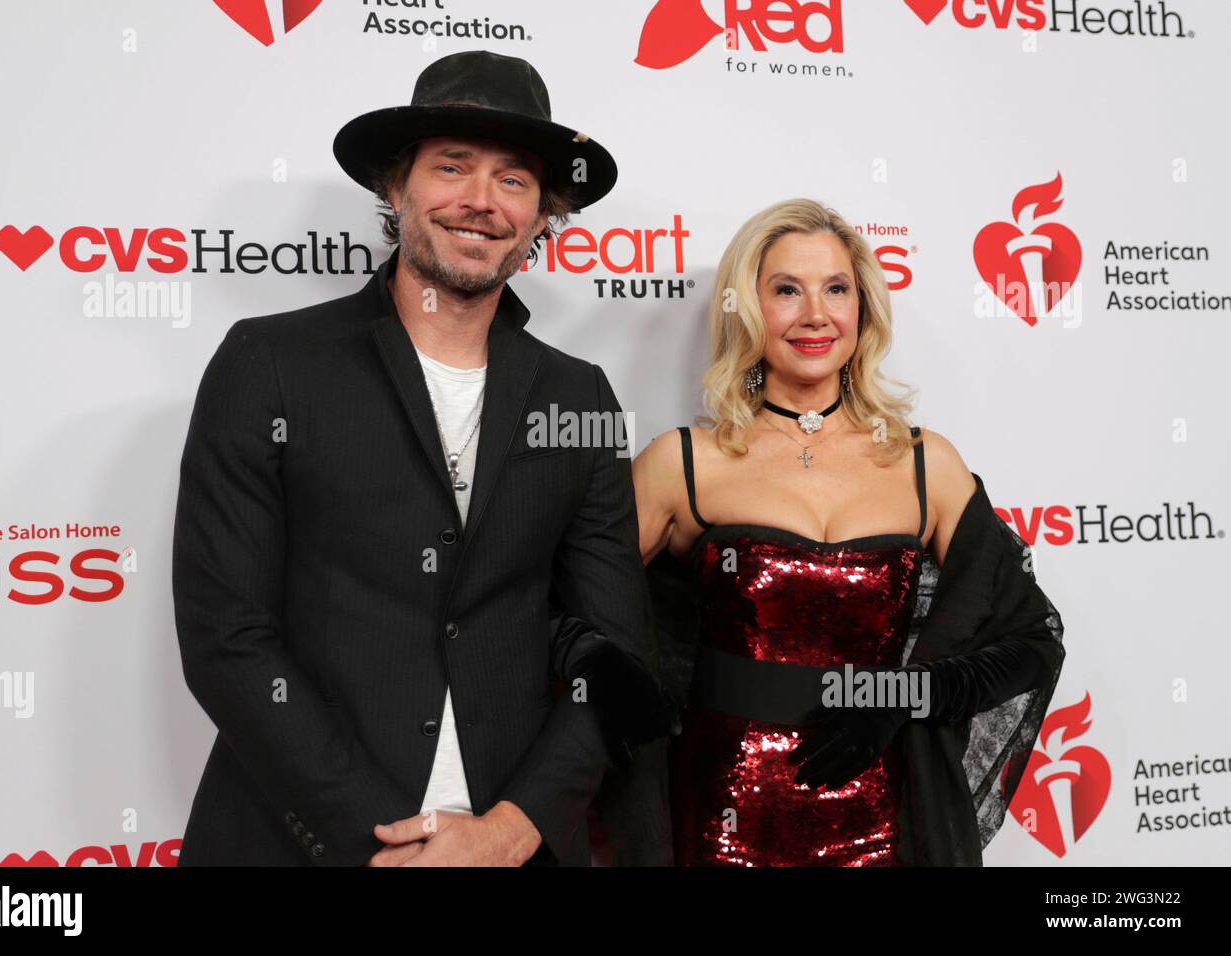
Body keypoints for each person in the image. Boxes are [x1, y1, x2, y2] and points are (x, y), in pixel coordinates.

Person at [171, 49, 665, 867]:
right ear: (395, 188)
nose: (481, 201)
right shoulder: (270, 364)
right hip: (300, 842)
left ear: (544, 215)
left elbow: (614, 656)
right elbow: (227, 636)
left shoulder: (581, 399)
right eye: (452, 167)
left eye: (514, 180)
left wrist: (511, 831)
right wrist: (379, 839)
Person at [632, 198, 1066, 865]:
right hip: (723, 824)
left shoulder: (927, 464)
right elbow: (579, 616)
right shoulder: (683, 463)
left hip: (885, 824)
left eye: (837, 289)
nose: (815, 314)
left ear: (861, 308)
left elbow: (1029, 639)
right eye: (786, 290)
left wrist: (904, 695)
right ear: (745, 307)